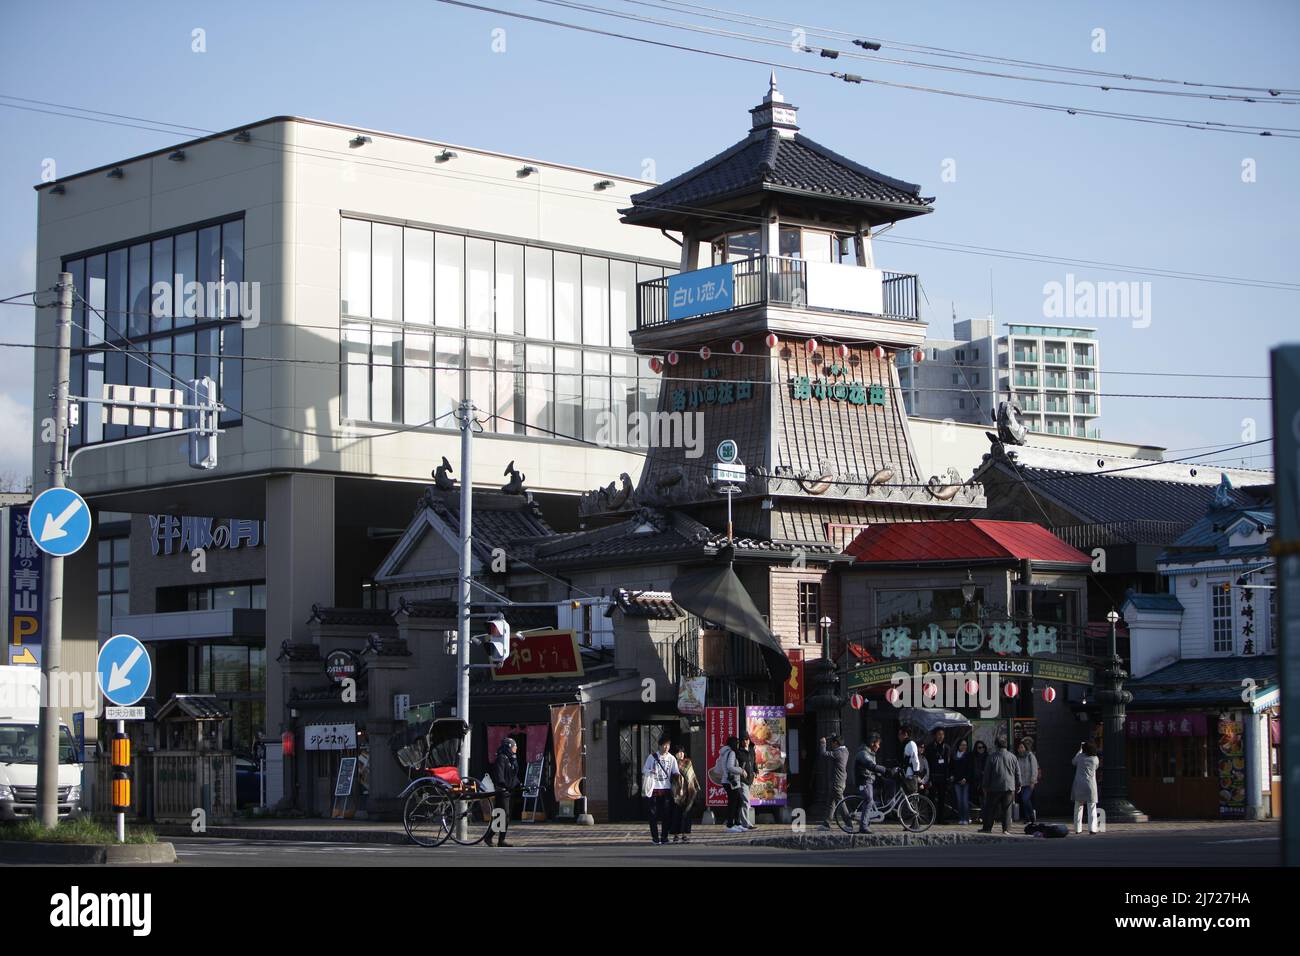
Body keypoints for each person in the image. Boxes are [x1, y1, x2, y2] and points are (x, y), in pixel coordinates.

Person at [642, 735, 680, 845]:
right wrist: (650, 772)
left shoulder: (671, 758)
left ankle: (664, 837)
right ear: (659, 746)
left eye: (668, 745)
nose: (666, 747)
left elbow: (675, 772)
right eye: (664, 745)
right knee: (653, 814)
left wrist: (678, 779)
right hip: (654, 788)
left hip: (666, 789)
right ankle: (655, 837)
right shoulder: (652, 757)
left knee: (666, 815)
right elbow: (644, 769)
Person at [980, 737, 1021, 834]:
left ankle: (987, 828)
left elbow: (987, 773)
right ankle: (1006, 829)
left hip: (995, 787)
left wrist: (985, 786)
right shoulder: (1013, 757)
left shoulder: (992, 757)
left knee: (990, 808)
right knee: (1007, 809)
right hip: (1009, 787)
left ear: (996, 745)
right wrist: (1019, 784)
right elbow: (1017, 772)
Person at [485, 736, 519, 847]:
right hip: (501, 791)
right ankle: (498, 839)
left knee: (501, 816)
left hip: (508, 791)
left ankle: (491, 837)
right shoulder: (501, 758)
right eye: (514, 747)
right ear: (508, 747)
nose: (516, 749)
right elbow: (499, 776)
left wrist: (518, 785)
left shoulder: (511, 759)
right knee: (504, 815)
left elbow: (513, 776)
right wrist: (503, 786)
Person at [850, 732, 887, 833]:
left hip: (869, 781)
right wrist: (885, 770)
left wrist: (886, 775)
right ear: (872, 743)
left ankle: (866, 821)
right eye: (878, 744)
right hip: (863, 781)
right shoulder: (863, 753)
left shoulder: (871, 753)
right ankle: (863, 826)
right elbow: (870, 766)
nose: (879, 746)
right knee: (869, 800)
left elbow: (873, 769)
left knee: (873, 798)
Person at [818, 734, 849, 830]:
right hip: (839, 781)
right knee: (831, 803)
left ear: (836, 743)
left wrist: (823, 743)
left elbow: (824, 754)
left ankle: (849, 824)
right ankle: (826, 823)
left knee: (841, 803)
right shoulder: (845, 751)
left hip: (837, 782)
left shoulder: (838, 753)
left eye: (833, 743)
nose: (832, 745)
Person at [716, 735, 746, 832]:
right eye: (736, 743)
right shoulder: (731, 752)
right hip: (731, 782)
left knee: (737, 801)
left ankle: (736, 823)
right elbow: (730, 767)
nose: (738, 745)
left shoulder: (724, 752)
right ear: (733, 744)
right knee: (734, 803)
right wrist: (741, 771)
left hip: (727, 781)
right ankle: (730, 825)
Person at [670, 749, 700, 843]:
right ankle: (675, 835)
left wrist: (692, 788)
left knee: (686, 813)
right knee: (676, 814)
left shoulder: (688, 762)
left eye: (682, 752)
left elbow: (691, 776)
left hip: (687, 792)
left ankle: (684, 834)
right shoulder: (672, 763)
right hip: (676, 792)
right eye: (679, 752)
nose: (681, 754)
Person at [1071, 742, 1100, 834]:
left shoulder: (1080, 757)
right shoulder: (1095, 759)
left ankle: (1077, 829)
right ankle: (1092, 829)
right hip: (1090, 785)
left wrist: (1079, 751)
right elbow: (1096, 768)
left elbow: (1073, 762)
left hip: (1079, 785)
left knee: (1078, 807)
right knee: (1092, 808)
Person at [924, 728, 952, 824]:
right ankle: (931, 818)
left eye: (942, 734)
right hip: (933, 776)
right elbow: (927, 763)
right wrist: (928, 778)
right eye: (939, 734)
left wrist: (948, 777)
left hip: (943, 777)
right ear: (935, 735)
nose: (940, 736)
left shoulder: (947, 747)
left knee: (942, 799)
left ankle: (941, 819)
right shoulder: (930, 747)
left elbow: (949, 763)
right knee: (931, 798)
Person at [1015, 739, 1040, 825]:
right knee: (1024, 800)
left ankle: (1031, 816)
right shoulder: (1017, 757)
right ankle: (1027, 818)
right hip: (1021, 783)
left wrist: (1033, 781)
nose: (1020, 749)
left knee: (1025, 799)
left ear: (1025, 748)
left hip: (1029, 782)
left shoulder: (1030, 756)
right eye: (1019, 748)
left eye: (1022, 747)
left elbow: (1034, 769)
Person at [950, 737, 974, 825]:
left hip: (965, 781)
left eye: (965, 745)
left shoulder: (968, 755)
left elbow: (970, 768)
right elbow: (951, 767)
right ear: (958, 746)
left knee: (965, 800)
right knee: (959, 800)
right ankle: (961, 818)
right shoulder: (954, 755)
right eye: (962, 745)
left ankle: (966, 818)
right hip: (956, 781)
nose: (964, 747)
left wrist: (966, 778)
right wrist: (952, 775)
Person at [737, 732, 758, 830]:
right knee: (746, 801)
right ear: (741, 741)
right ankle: (746, 823)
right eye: (744, 740)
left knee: (743, 801)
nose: (746, 742)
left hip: (750, 779)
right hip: (742, 779)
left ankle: (740, 821)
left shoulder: (751, 750)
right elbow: (735, 765)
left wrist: (756, 770)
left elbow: (754, 762)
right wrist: (741, 771)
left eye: (747, 739)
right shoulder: (738, 752)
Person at [897, 727, 921, 796]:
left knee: (912, 795)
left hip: (911, 774)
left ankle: (913, 807)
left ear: (905, 734)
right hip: (905, 774)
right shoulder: (903, 744)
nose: (899, 736)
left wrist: (916, 772)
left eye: (900, 734)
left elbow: (915, 759)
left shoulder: (911, 744)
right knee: (906, 796)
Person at [971, 739, 989, 811]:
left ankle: (987, 817)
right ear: (976, 748)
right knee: (979, 800)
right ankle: (982, 816)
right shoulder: (973, 757)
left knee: (986, 800)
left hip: (985, 782)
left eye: (983, 747)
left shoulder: (988, 756)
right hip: (976, 781)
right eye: (979, 747)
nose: (981, 749)